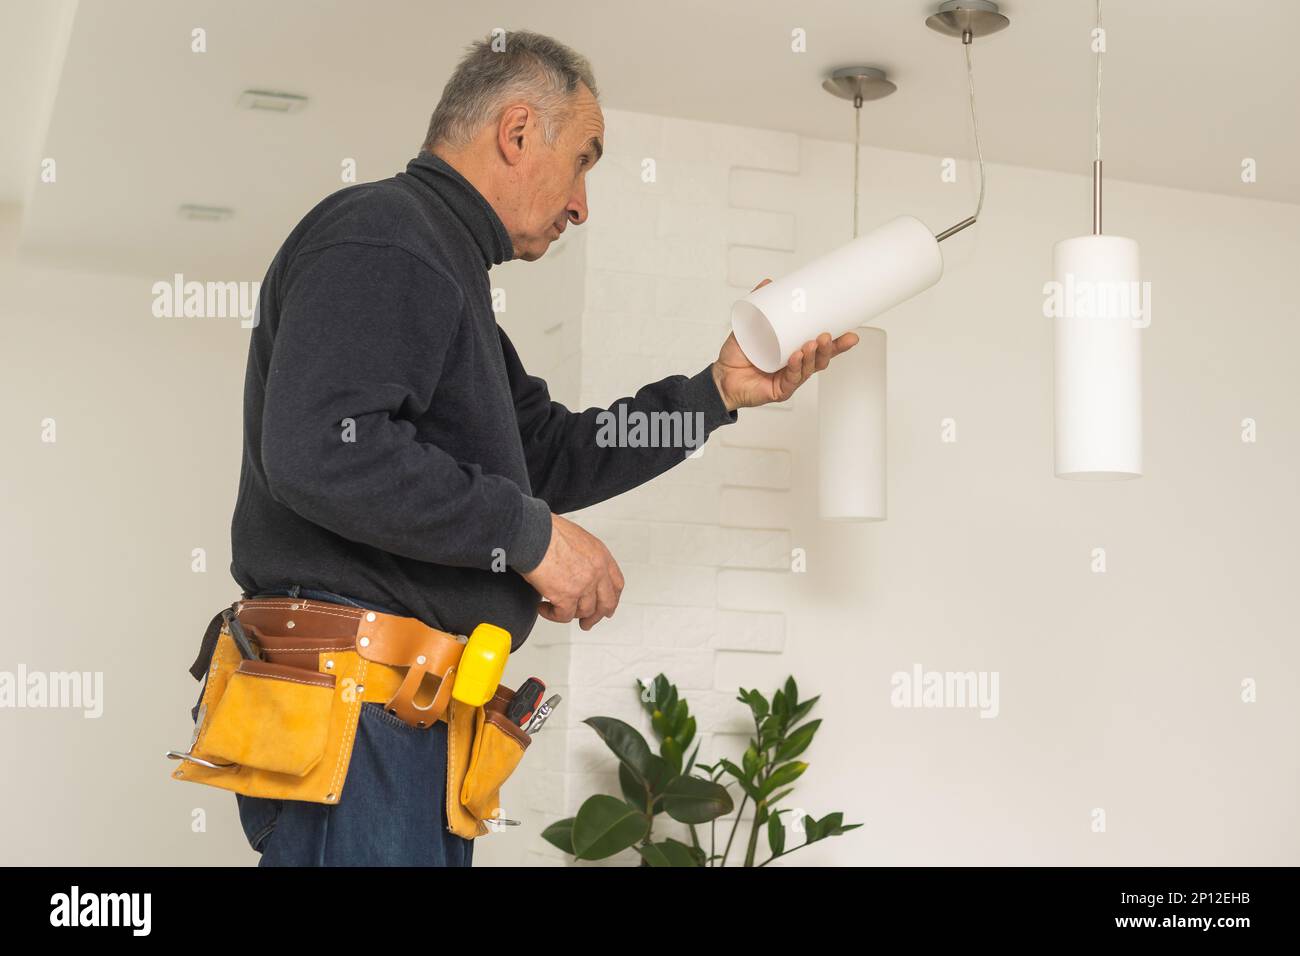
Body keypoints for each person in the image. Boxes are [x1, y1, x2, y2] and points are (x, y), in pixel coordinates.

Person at [228, 29, 858, 866]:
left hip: (400, 725)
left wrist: (715, 393)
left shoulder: (445, 271)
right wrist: (531, 538)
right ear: (518, 132)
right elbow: (321, 451)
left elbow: (551, 452)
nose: (582, 205)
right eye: (585, 161)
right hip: (362, 720)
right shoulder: (385, 233)